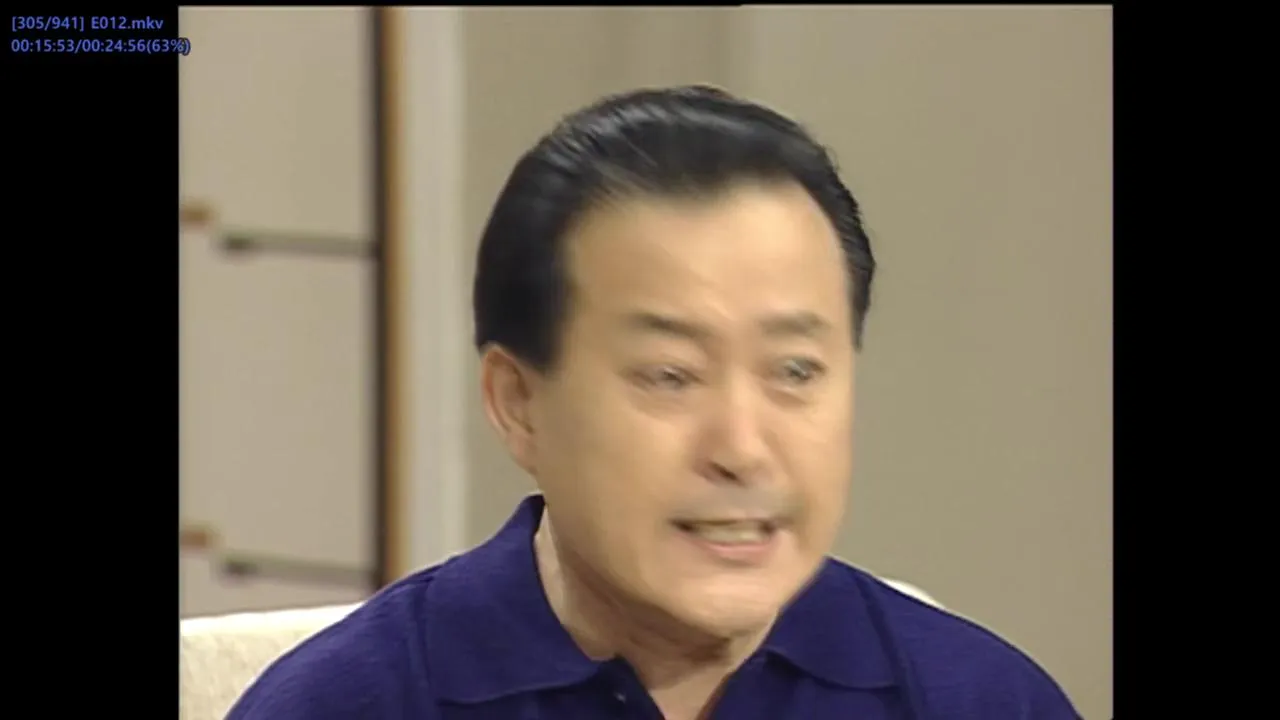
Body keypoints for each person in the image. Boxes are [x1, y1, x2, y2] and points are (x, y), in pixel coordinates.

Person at [226, 85, 1081, 719]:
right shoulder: (346, 703)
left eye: (794, 371)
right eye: (670, 375)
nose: (742, 447)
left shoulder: (981, 700)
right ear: (518, 403)